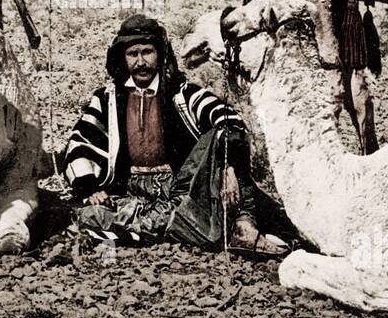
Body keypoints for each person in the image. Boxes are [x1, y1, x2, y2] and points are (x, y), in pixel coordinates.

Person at [63, 14, 288, 255]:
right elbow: (80, 143)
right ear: (122, 57)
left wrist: (228, 166)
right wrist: (90, 189)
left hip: (184, 189)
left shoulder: (182, 94)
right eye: (133, 54)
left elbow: (229, 120)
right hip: (132, 195)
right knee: (87, 216)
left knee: (222, 136)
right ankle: (197, 229)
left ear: (160, 54)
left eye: (147, 52)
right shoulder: (108, 99)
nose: (141, 62)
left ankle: (241, 224)